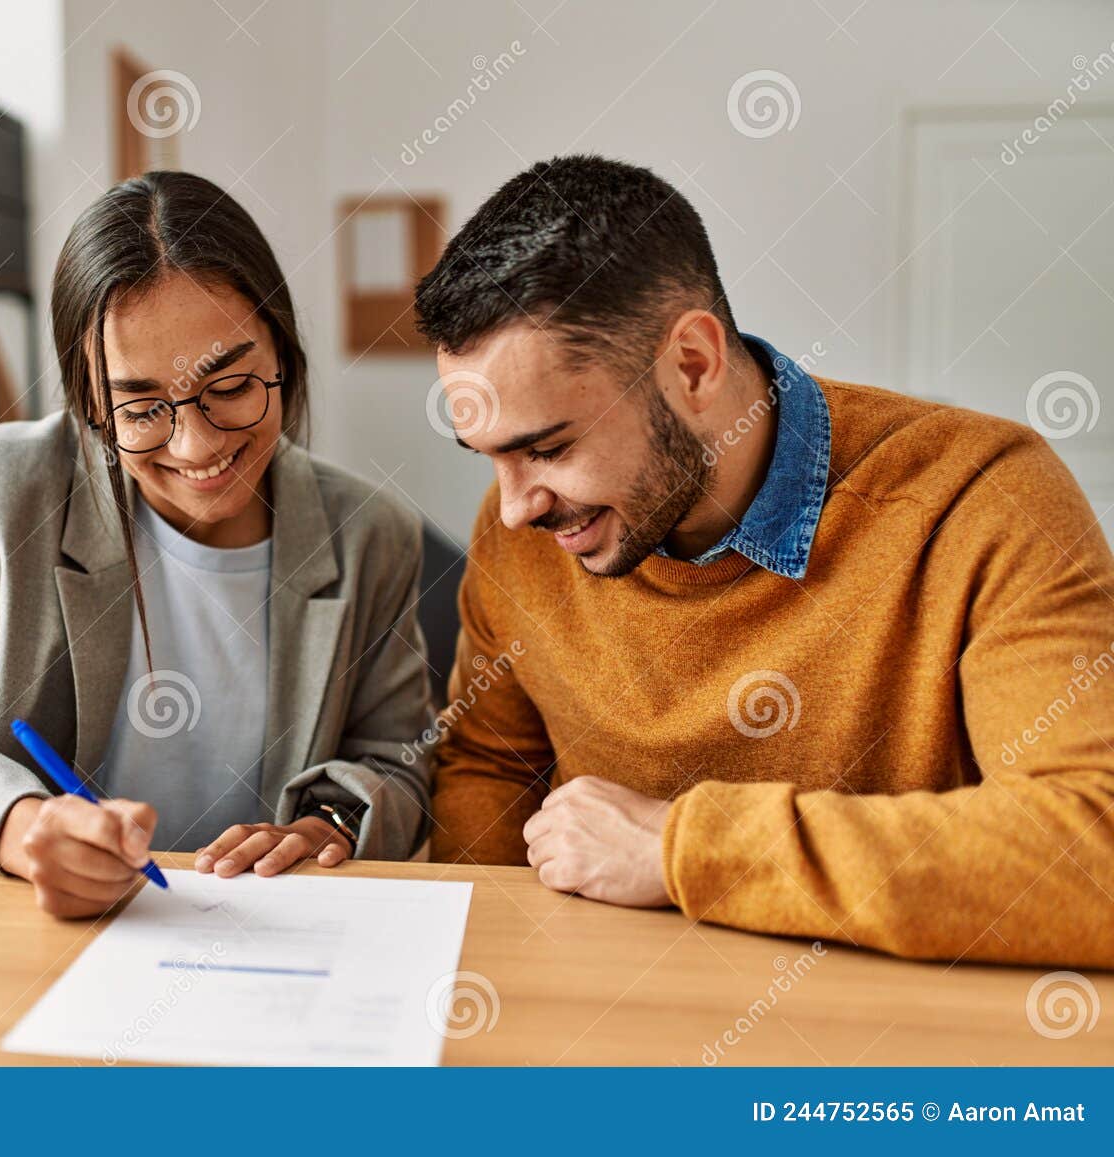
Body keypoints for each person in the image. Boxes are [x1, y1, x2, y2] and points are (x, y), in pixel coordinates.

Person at [414, 153, 1114, 967]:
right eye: (490, 456)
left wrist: (683, 847)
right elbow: (490, 766)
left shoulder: (983, 498)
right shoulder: (531, 530)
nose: (512, 507)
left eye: (549, 447)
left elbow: (1092, 849)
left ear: (693, 365)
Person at [0, 171, 431, 917]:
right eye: (142, 408)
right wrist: (23, 828)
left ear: (283, 353)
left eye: (230, 386)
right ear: (89, 405)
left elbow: (401, 763)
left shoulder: (371, 533)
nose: (196, 445)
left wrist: (330, 825)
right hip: (48, 933)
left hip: (268, 930)